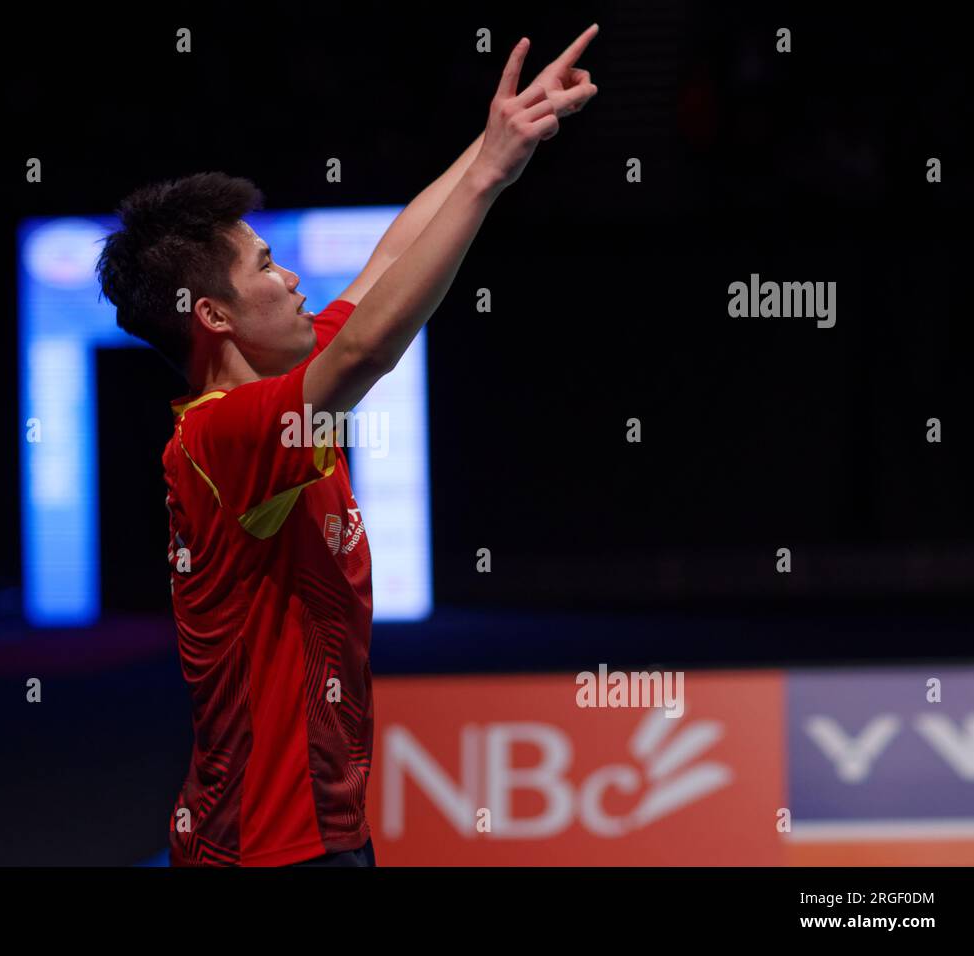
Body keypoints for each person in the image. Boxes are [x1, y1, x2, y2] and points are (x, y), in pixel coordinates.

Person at [95, 26, 599, 866]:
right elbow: (369, 349)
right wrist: (486, 175)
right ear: (213, 315)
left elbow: (391, 259)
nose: (290, 277)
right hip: (268, 848)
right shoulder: (224, 436)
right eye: (264, 266)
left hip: (318, 832)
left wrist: (499, 133)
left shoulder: (271, 402)